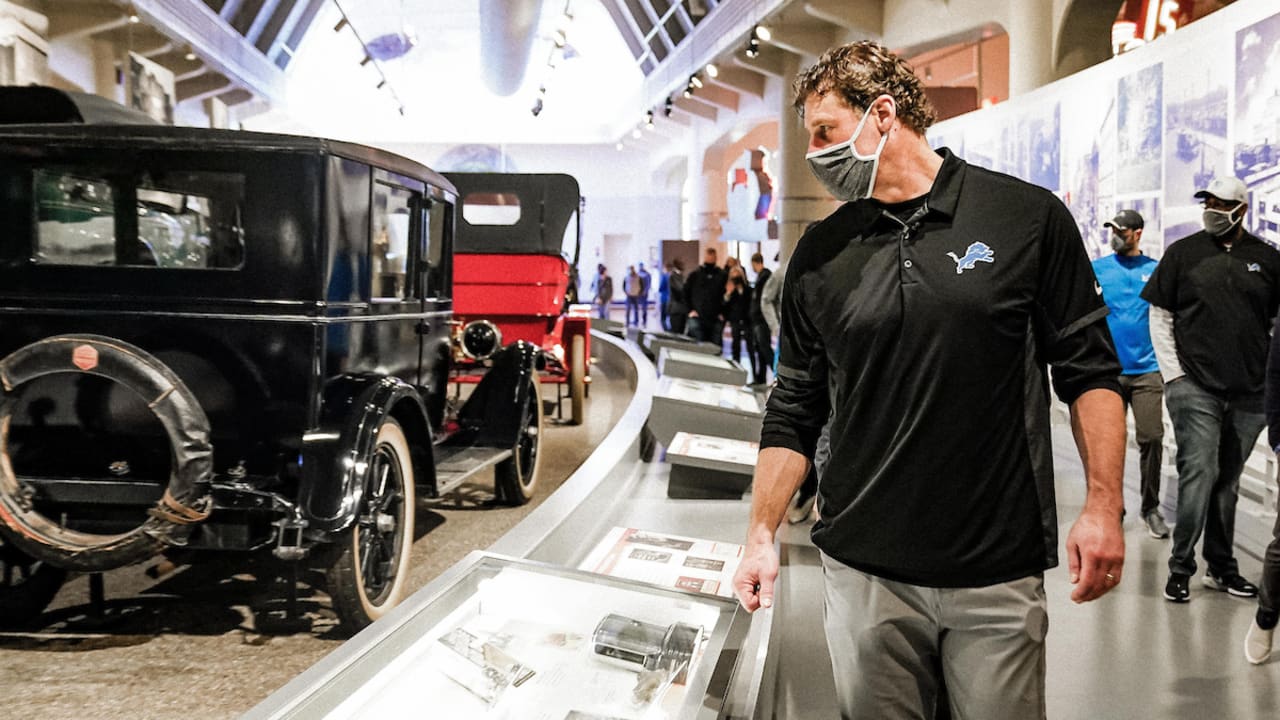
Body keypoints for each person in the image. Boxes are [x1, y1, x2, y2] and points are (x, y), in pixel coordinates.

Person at [731, 41, 1126, 720]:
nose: (816, 154)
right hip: (864, 567)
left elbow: (1088, 370)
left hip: (995, 568)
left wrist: (1102, 506)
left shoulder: (1025, 218)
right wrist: (761, 535)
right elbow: (794, 407)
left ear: (882, 114)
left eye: (825, 131)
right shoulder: (820, 254)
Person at [1141, 175, 1280, 604]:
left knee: (1228, 483)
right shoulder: (1183, 253)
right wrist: (1175, 377)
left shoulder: (1268, 259)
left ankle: (1221, 568)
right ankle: (1181, 567)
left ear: (1240, 210)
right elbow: (1160, 315)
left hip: (1250, 393)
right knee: (1199, 474)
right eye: (1208, 203)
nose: (1212, 211)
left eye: (1220, 204)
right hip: (1195, 387)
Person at [1091, 209, 1169, 539]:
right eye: (1112, 231)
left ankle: (1150, 508)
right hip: (1108, 370)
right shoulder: (1097, 269)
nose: (1115, 237)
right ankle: (1112, 506)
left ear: (1137, 233)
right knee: (1110, 443)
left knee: (1151, 437)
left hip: (1146, 371)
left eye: (1121, 232)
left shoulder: (1155, 270)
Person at [684, 247, 727, 349]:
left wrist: (724, 313)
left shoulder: (722, 275)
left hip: (715, 317)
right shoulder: (695, 275)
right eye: (709, 256)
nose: (711, 258)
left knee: (715, 348)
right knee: (700, 347)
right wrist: (690, 310)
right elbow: (685, 293)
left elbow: (726, 294)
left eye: (713, 256)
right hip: (698, 316)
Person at [748, 252, 773, 385]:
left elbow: (764, 299)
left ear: (755, 263)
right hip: (758, 318)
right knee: (760, 348)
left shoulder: (765, 277)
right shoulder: (761, 277)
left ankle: (775, 373)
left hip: (762, 319)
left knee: (764, 348)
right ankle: (761, 378)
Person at [724, 263, 752, 366]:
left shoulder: (747, 289)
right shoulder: (729, 290)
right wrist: (728, 293)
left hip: (746, 319)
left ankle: (753, 368)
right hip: (735, 319)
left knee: (750, 344)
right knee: (735, 343)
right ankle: (736, 364)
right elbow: (725, 305)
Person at [667, 258, 688, 334]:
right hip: (676, 309)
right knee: (676, 333)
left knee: (681, 332)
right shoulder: (673, 276)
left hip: (682, 309)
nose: (684, 265)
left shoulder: (681, 276)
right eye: (681, 263)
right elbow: (679, 290)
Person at [657, 262, 672, 331]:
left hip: (664, 299)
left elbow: (660, 288)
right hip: (671, 300)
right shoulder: (674, 276)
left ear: (666, 268)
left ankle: (666, 332)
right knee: (670, 317)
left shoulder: (664, 276)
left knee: (663, 318)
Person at [638, 262, 653, 326]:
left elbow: (648, 284)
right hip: (639, 293)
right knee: (639, 308)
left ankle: (644, 320)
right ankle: (638, 320)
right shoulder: (638, 273)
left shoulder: (647, 274)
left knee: (644, 307)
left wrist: (645, 291)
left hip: (644, 293)